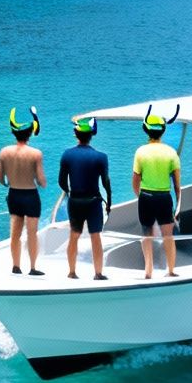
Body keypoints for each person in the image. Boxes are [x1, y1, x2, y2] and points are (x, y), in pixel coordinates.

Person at [58, 116, 112, 280]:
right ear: (91, 136)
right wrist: (109, 201)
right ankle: (98, 273)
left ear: (76, 134)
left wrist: (69, 193)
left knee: (74, 235)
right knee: (95, 236)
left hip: (75, 201)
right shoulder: (101, 157)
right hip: (94, 201)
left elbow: (61, 181)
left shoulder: (67, 155)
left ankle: (72, 272)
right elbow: (106, 182)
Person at [132, 105, 182, 278]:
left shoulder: (140, 152)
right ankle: (171, 270)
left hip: (145, 196)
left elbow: (135, 180)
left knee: (147, 234)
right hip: (164, 197)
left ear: (147, 131)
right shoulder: (171, 153)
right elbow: (177, 184)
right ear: (163, 131)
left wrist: (140, 196)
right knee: (168, 235)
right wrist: (178, 206)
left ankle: (148, 271)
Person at [0, 107, 46, 275]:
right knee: (32, 233)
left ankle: (16, 266)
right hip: (30, 196)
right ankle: (32, 268)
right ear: (29, 135)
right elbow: (42, 181)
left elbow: (0, 178)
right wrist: (41, 183)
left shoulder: (4, 152)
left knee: (15, 233)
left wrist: (9, 182)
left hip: (14, 195)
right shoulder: (35, 153)